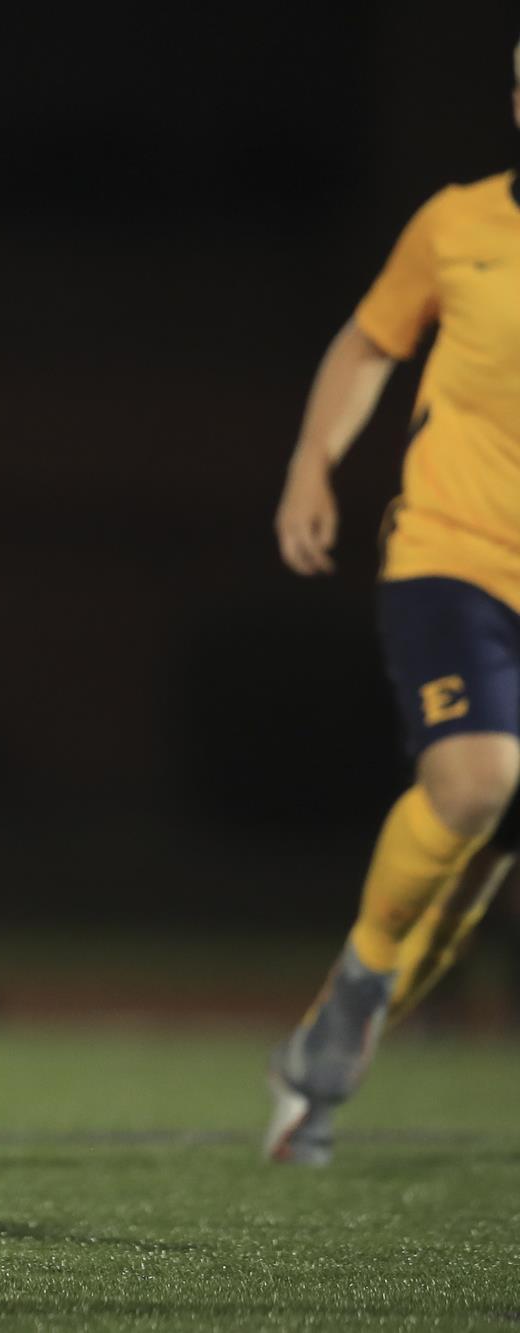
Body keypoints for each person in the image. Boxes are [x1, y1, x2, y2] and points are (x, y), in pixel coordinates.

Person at [266, 41, 520, 1164]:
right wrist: (311, 462)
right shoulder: (456, 224)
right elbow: (369, 341)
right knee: (476, 777)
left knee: (483, 853)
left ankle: (330, 1055)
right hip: (449, 550)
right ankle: (361, 975)